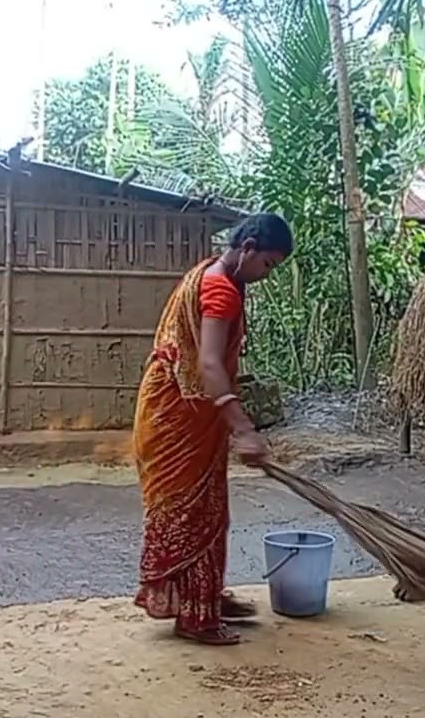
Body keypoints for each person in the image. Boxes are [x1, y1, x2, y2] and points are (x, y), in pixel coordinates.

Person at [132, 212, 294, 646]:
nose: (266, 274)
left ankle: (205, 597)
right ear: (248, 248)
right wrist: (243, 428)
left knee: (208, 510)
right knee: (191, 513)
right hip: (179, 416)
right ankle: (196, 616)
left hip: (178, 406)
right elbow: (207, 364)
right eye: (267, 264)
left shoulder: (211, 273)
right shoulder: (221, 289)